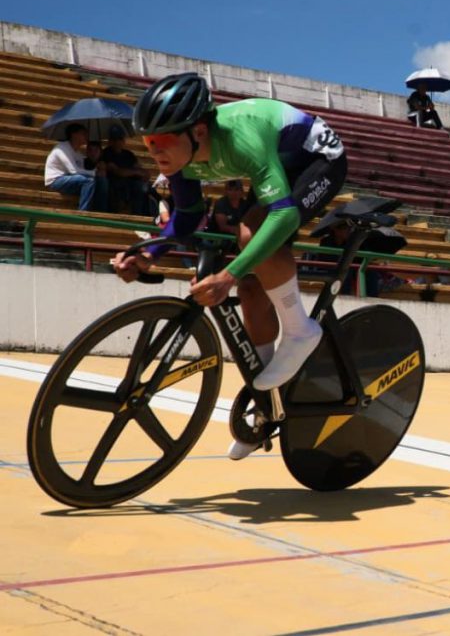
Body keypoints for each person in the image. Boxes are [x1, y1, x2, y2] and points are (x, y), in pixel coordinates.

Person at [112, 72, 348, 461]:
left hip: (317, 160)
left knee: (249, 233)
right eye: (149, 142)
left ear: (199, 131)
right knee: (253, 286)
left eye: (164, 141)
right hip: (275, 166)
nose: (156, 151)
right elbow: (186, 217)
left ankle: (300, 330)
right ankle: (268, 404)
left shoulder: (241, 138)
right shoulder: (178, 158)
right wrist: (148, 253)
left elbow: (284, 217)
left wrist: (228, 274)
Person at [43, 123, 110, 211]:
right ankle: (83, 212)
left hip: (71, 180)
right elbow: (74, 171)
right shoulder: (62, 148)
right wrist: (94, 172)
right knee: (89, 180)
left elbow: (82, 171)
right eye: (83, 133)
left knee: (101, 180)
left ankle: (101, 212)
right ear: (74, 134)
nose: (86, 136)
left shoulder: (78, 153)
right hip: (56, 181)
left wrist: (99, 171)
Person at [102, 124, 152, 216]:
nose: (117, 142)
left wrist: (139, 172)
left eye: (120, 139)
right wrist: (136, 172)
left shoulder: (128, 154)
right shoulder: (106, 153)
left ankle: (140, 215)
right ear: (110, 141)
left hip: (130, 183)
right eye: (114, 139)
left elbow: (143, 171)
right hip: (114, 183)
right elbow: (119, 172)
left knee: (143, 186)